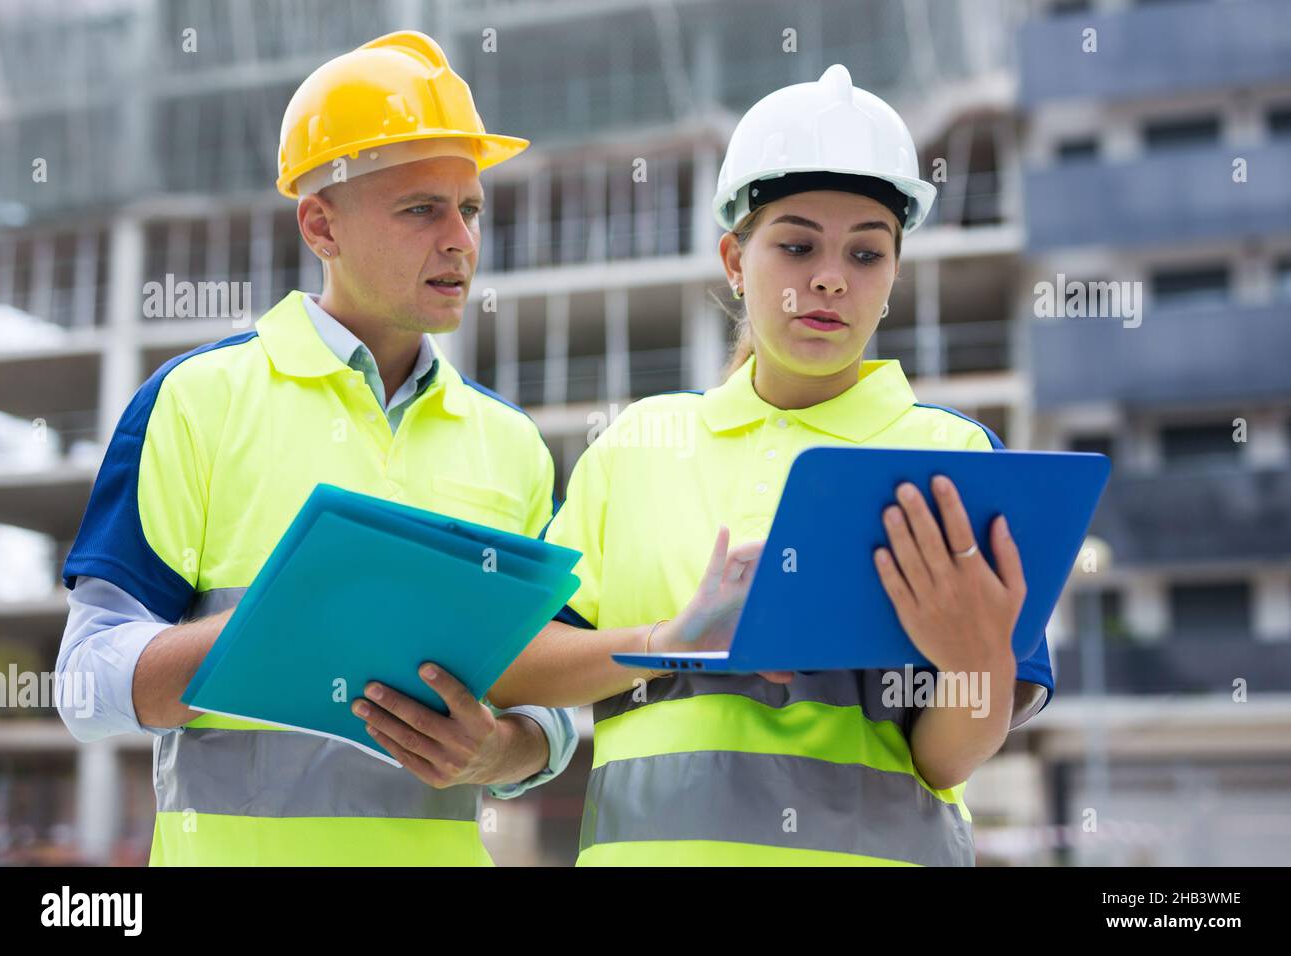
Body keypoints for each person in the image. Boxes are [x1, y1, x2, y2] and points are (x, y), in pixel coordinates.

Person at [489, 65, 1053, 866]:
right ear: (732, 258)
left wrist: (977, 661)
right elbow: (512, 669)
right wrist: (667, 640)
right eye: (796, 245)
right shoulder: (635, 446)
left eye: (867, 254)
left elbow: (947, 760)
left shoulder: (952, 458)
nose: (829, 278)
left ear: (893, 277)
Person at [55, 31, 577, 866]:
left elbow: (549, 697)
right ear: (320, 226)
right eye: (421, 209)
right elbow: (83, 688)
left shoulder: (511, 443)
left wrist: (503, 752)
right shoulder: (197, 402)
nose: (461, 240)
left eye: (469, 208)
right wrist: (286, 624)